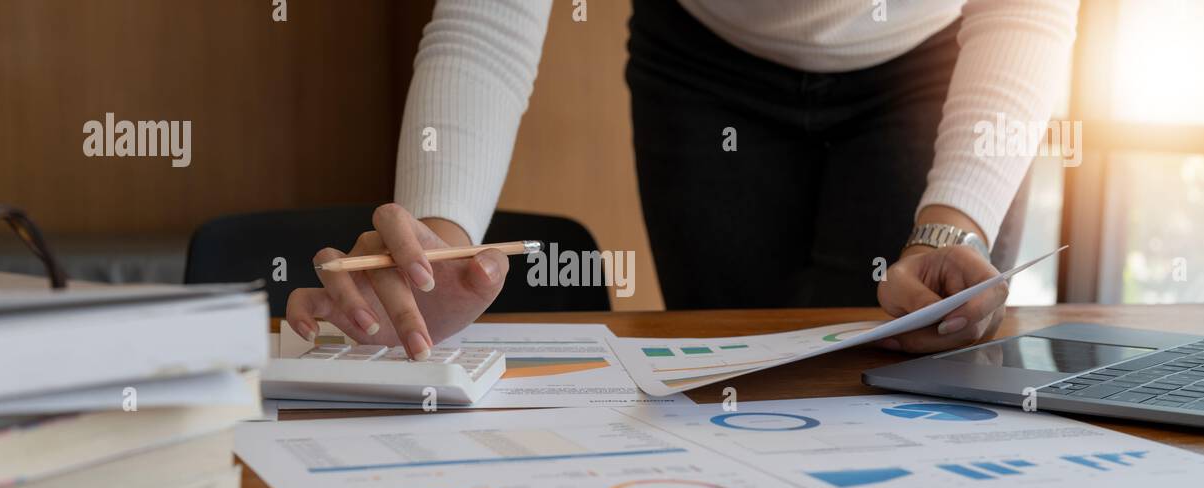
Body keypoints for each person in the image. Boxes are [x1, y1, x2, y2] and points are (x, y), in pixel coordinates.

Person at [287, 0, 1077, 361]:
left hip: (938, 58)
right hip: (704, 58)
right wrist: (441, 236)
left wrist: (953, 222)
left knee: (916, 358)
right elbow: (490, 18)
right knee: (738, 377)